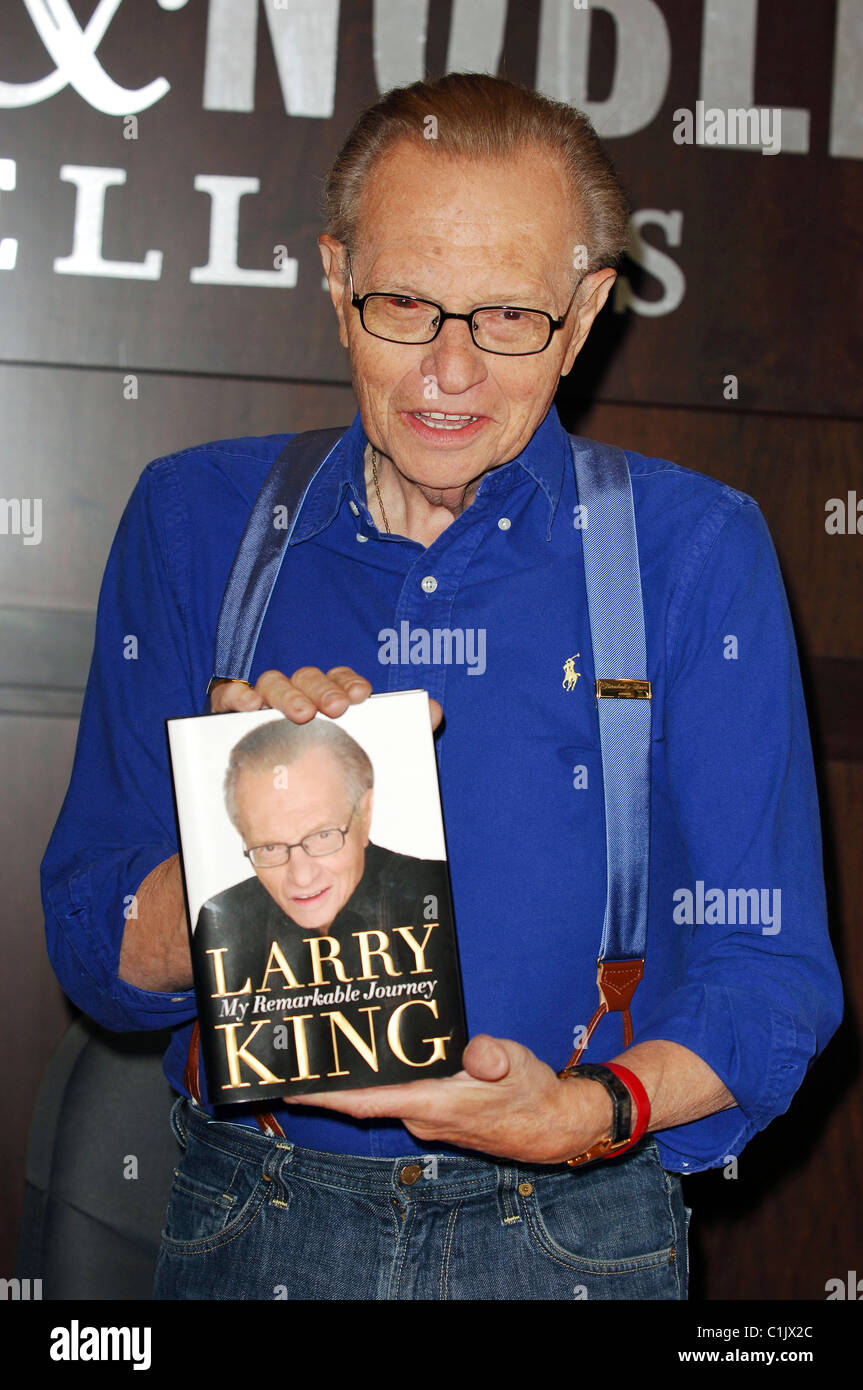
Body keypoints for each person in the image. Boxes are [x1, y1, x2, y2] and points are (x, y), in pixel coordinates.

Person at [41, 73, 842, 1302]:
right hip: (249, 1215)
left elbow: (770, 977)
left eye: (508, 315)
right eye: (405, 303)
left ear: (580, 316)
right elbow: (97, 943)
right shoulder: (191, 520)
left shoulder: (693, 550)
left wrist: (589, 1110)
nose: (448, 371)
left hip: (575, 1225)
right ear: (335, 280)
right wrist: (233, 833)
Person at [192, 716, 463, 1101]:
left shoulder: (438, 893)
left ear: (364, 813)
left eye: (322, 836)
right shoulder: (223, 918)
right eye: (269, 847)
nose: (301, 877)